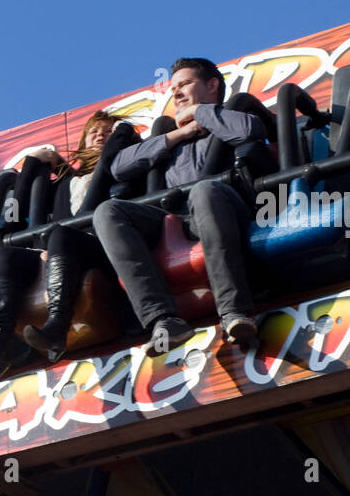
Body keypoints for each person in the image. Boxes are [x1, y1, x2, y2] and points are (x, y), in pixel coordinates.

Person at [93, 57, 265, 355]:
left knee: (204, 190)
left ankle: (234, 312)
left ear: (212, 86)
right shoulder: (169, 134)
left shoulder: (231, 114)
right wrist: (179, 134)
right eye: (173, 88)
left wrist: (201, 112)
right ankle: (164, 320)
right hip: (174, 219)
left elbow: (250, 131)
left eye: (185, 84)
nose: (177, 93)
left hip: (224, 210)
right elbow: (120, 167)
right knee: (108, 211)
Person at [0, 111, 134, 369]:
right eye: (94, 131)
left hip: (102, 248)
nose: (100, 135)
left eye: (108, 131)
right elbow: (15, 216)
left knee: (62, 234)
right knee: (8, 256)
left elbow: (111, 156)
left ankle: (57, 327)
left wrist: (124, 130)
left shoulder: (122, 167)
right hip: (58, 251)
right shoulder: (66, 183)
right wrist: (32, 164)